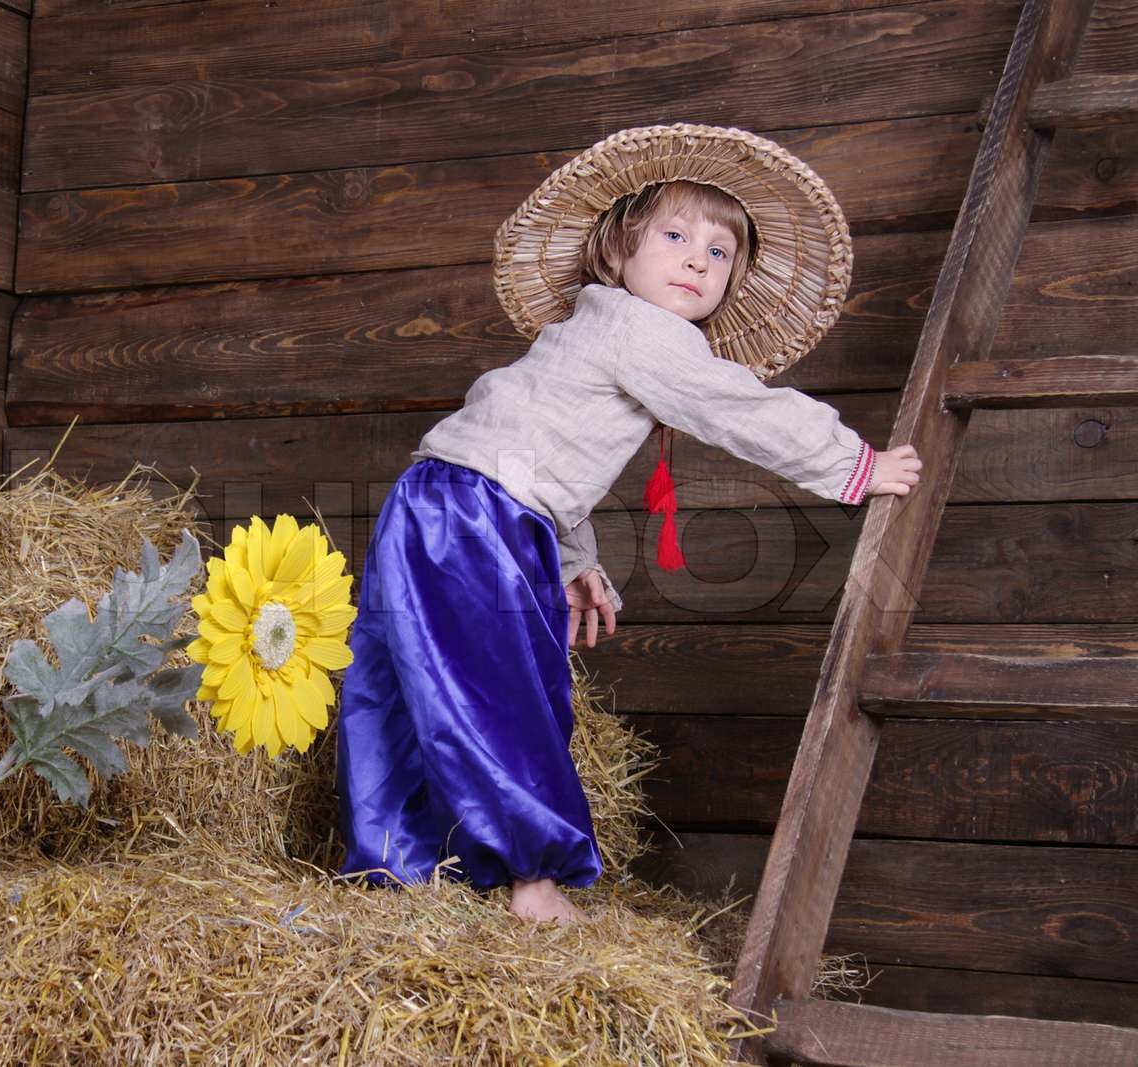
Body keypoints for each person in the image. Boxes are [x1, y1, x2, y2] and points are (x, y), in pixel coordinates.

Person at [333, 125, 922, 924]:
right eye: (676, 236)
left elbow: (530, 444)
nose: (695, 260)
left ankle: (396, 867)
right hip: (474, 516)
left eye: (719, 253)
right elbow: (737, 407)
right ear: (616, 251)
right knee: (503, 688)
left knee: (407, 682)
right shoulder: (644, 332)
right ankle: (535, 881)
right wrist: (856, 464)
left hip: (434, 499)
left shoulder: (586, 330)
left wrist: (572, 556)